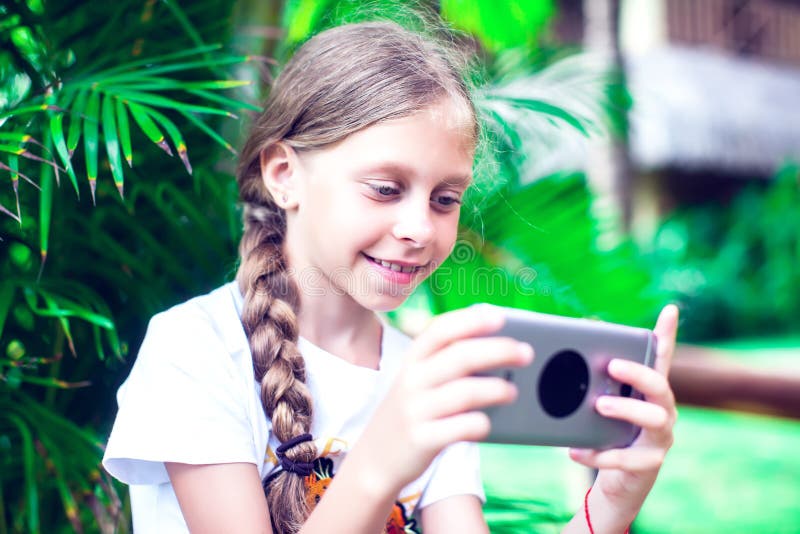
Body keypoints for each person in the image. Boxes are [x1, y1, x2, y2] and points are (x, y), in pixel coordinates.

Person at [102, 19, 679, 534]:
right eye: (385, 189)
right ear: (284, 174)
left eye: (445, 199)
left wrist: (609, 506)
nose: (420, 228)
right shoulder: (196, 350)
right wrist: (384, 458)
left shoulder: (423, 373)